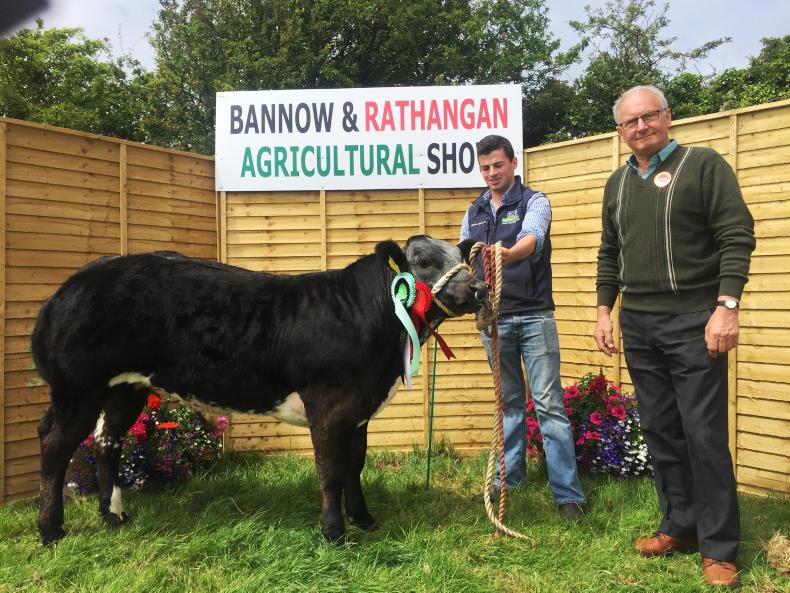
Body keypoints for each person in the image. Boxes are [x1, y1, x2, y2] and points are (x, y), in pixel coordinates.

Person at [595, 85, 755, 588]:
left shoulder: (704, 166)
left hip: (694, 320)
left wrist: (726, 307)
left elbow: (737, 234)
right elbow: (608, 253)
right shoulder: (616, 184)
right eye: (630, 122)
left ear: (667, 117)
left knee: (703, 434)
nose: (641, 127)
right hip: (638, 324)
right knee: (662, 431)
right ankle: (679, 526)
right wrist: (605, 311)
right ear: (620, 131)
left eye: (649, 117)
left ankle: (720, 547)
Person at [461, 134, 586, 519]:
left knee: (548, 405)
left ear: (513, 163)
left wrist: (509, 253)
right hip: (493, 322)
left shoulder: (535, 201)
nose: (492, 173)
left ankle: (568, 496)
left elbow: (533, 237)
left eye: (498, 165)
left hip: (534, 316)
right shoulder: (475, 210)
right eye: (485, 167)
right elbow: (465, 256)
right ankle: (509, 480)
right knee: (509, 404)